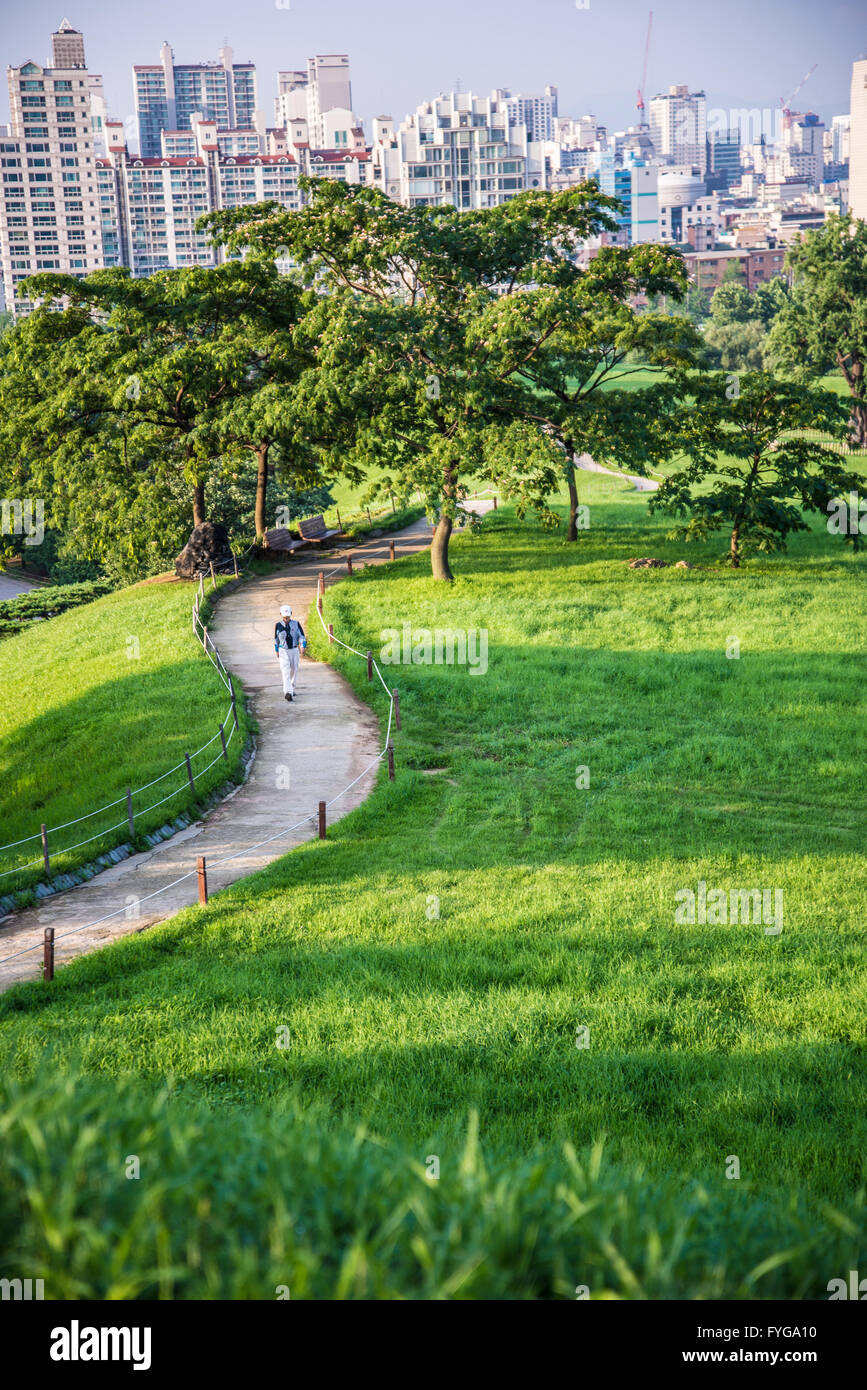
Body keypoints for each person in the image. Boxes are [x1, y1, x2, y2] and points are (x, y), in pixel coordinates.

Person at [274, 604, 306, 702]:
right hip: (283, 650)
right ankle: (288, 692)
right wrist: (276, 650)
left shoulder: (296, 624)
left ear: (291, 614)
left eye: (288, 616)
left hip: (294, 650)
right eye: (284, 617)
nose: (286, 618)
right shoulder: (278, 625)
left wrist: (303, 645)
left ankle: (292, 688)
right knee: (285, 671)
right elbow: (276, 639)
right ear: (281, 615)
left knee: (294, 669)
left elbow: (302, 636)